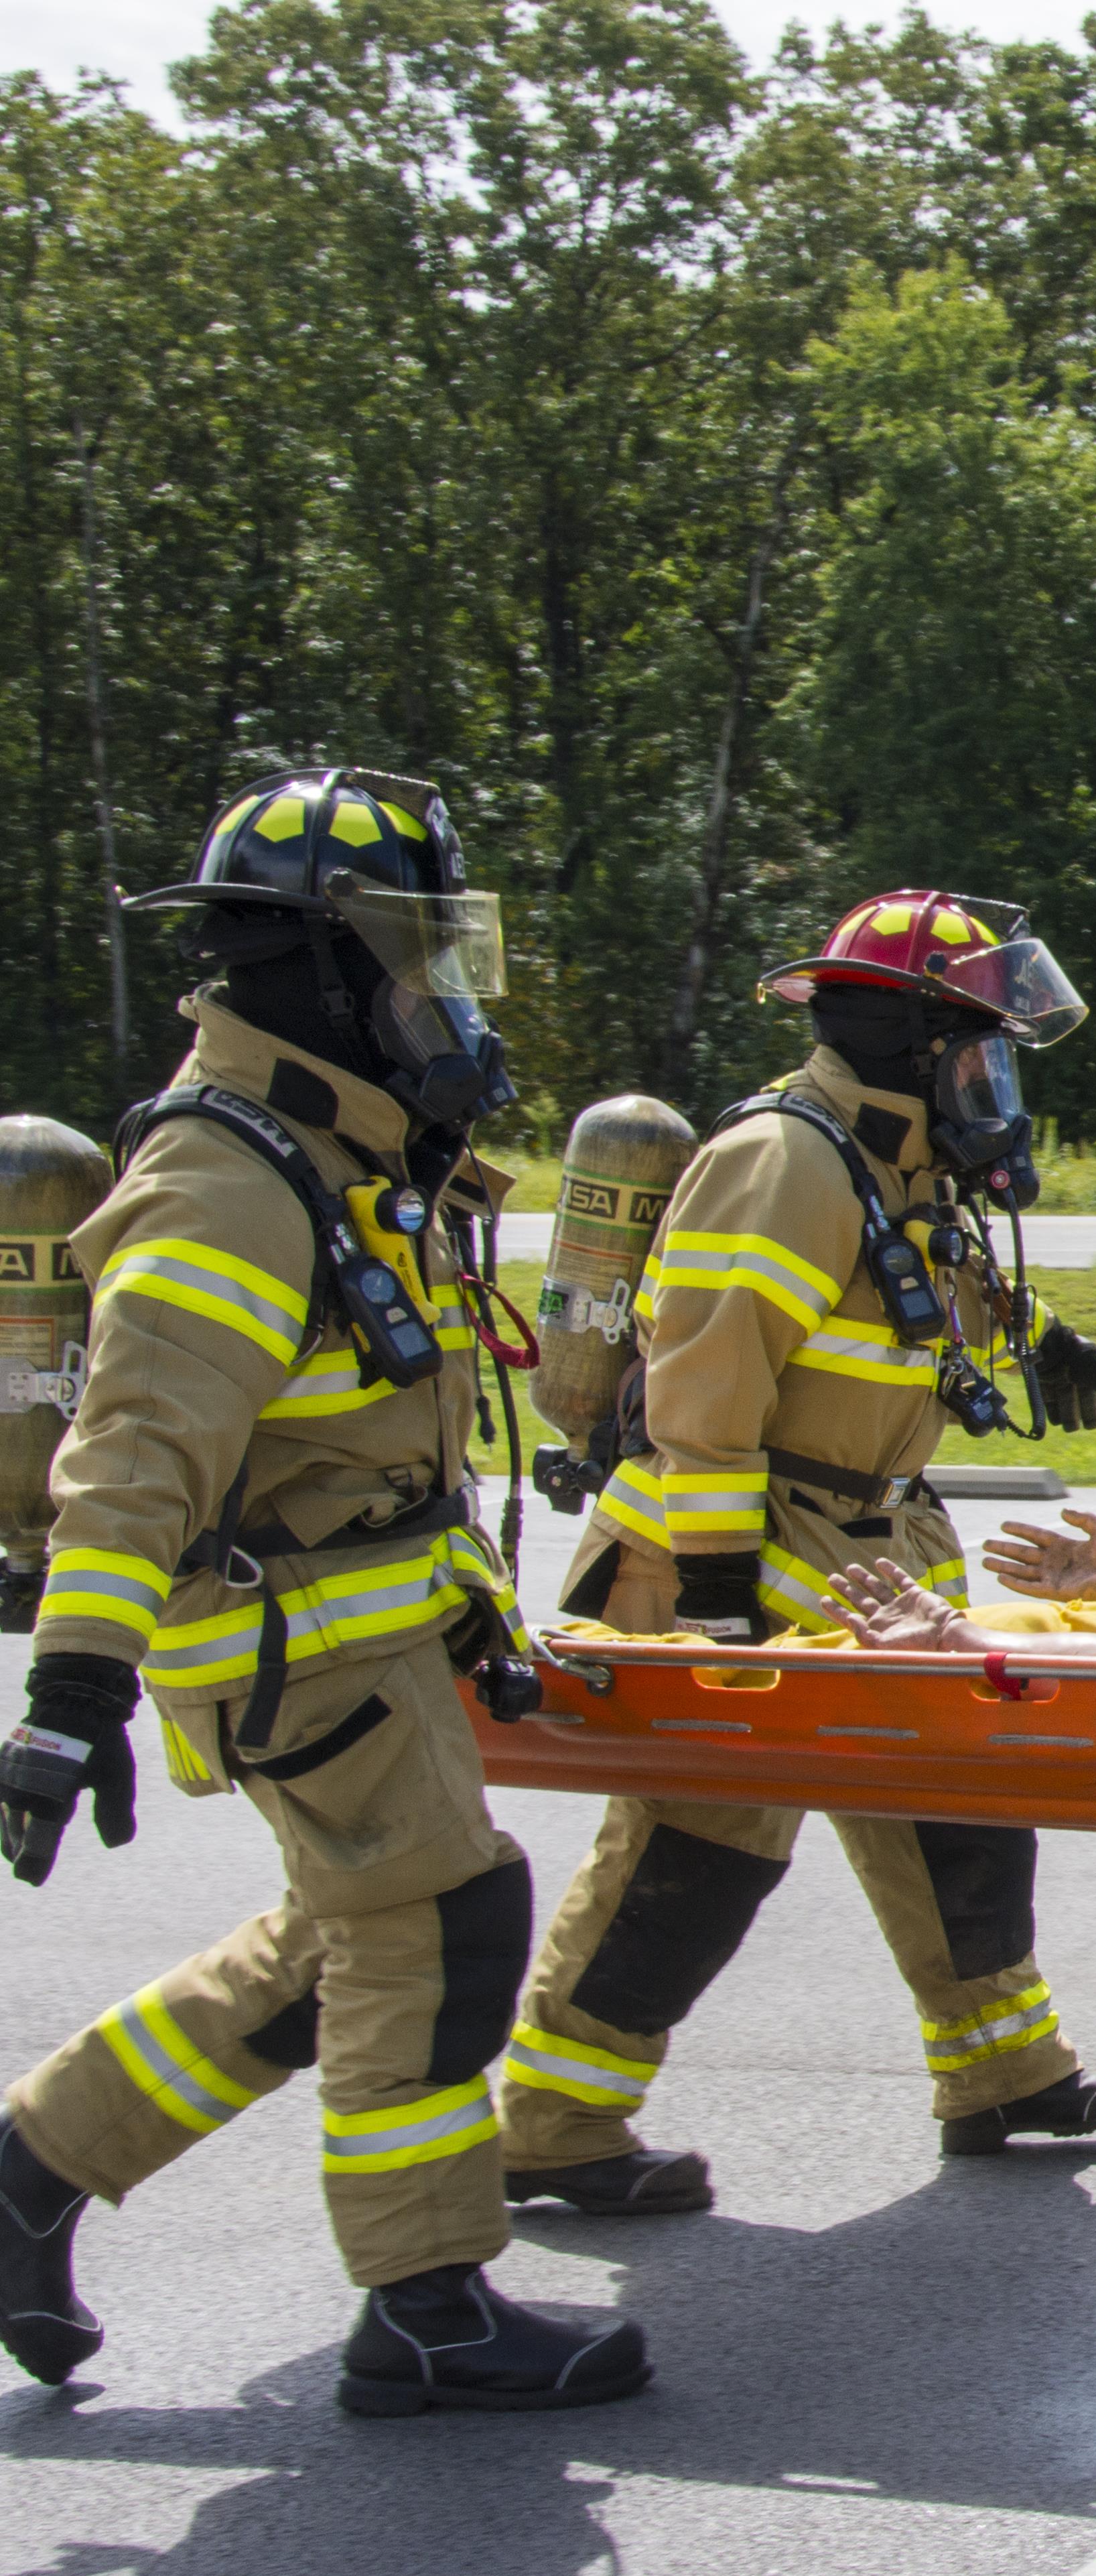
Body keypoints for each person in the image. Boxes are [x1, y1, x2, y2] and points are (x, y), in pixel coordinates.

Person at [0, 767, 648, 2411]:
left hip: (358, 1646)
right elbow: (135, 1451)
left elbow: (365, 1437)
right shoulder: (225, 1178)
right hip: (302, 1658)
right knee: (440, 1919)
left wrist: (478, 1616)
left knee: (336, 1941)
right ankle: (424, 2300)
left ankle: (23, 2174)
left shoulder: (321, 1147)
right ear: (320, 966)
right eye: (410, 954)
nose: (436, 993)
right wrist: (71, 1694)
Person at [491, 893, 1096, 2217]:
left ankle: (1005, 2071)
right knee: (700, 1849)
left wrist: (1038, 1333)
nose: (992, 1079)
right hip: (743, 1541)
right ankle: (557, 2121)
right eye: (978, 1049)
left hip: (876, 1537)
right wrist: (722, 1598)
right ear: (909, 1037)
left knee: (958, 1803)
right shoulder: (784, 1157)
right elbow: (701, 1389)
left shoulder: (888, 1156)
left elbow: (918, 1282)